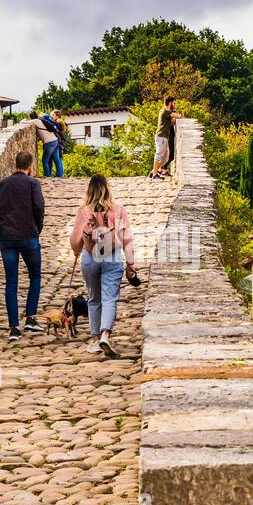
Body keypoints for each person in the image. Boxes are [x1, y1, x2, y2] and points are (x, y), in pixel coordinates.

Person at [70, 174, 136, 358]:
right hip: (112, 257)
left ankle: (94, 339)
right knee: (110, 298)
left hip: (90, 258)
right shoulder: (119, 210)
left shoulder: (84, 211)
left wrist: (79, 248)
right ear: (108, 189)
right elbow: (127, 239)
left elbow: (75, 242)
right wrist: (131, 265)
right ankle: (106, 334)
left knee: (93, 298)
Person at [0, 151, 44, 342]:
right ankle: (30, 316)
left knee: (11, 282)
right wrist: (38, 228)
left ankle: (14, 327)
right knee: (35, 275)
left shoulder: (0, 185)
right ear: (30, 166)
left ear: (15, 163)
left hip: (8, 239)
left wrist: (1, 230)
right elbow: (39, 208)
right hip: (29, 237)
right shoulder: (33, 184)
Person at [150, 96, 181, 179]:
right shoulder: (165, 111)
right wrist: (180, 114)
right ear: (170, 103)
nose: (174, 105)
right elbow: (177, 116)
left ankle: (154, 171)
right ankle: (154, 175)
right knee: (159, 155)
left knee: (166, 158)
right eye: (173, 103)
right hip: (161, 137)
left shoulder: (166, 113)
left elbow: (173, 121)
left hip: (164, 137)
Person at [33, 110, 64, 178]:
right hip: (56, 140)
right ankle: (59, 175)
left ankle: (48, 175)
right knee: (56, 159)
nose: (51, 116)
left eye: (53, 115)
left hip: (52, 142)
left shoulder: (57, 122)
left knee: (47, 159)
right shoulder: (53, 122)